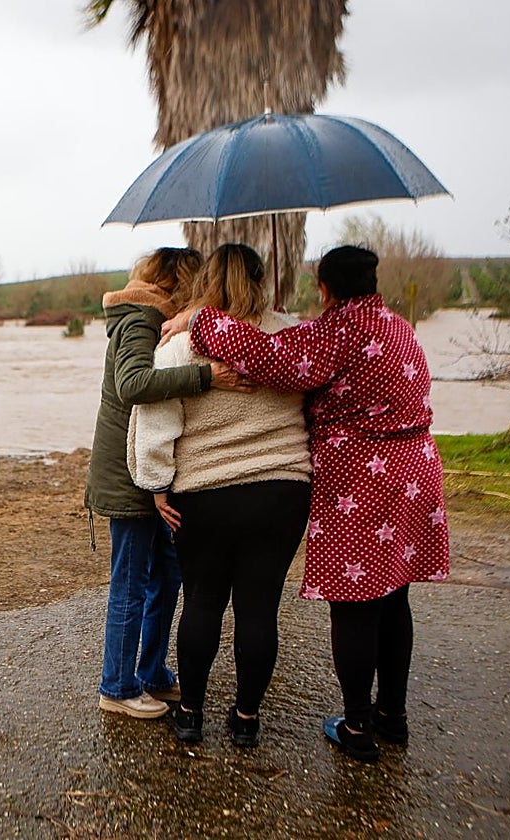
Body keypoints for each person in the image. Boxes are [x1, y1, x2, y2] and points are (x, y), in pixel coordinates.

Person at [182, 244, 450, 762]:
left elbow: (274, 360)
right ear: (372, 281)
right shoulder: (399, 325)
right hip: (417, 467)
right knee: (394, 596)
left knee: (354, 603)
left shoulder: (338, 331)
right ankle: (391, 715)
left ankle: (355, 726)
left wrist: (202, 320)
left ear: (324, 287)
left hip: (363, 477)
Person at [128, 243, 312, 747]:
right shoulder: (294, 337)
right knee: (259, 609)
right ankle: (247, 719)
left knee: (203, 604)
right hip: (282, 491)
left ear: (205, 283)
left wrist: (157, 486)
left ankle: (189, 715)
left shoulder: (180, 346)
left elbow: (156, 425)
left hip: (205, 494)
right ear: (261, 281)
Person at [84, 246, 250, 719]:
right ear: (179, 281)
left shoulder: (153, 318)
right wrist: (206, 376)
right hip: (128, 474)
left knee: (167, 576)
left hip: (147, 471)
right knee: (132, 583)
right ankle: (116, 687)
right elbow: (131, 385)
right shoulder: (140, 318)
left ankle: (153, 672)